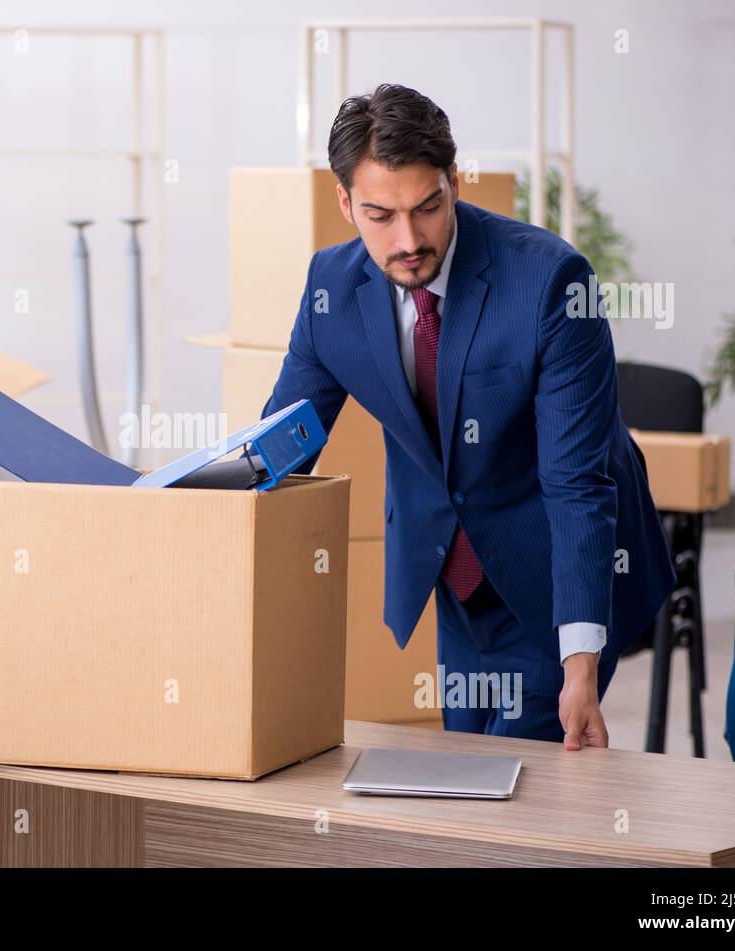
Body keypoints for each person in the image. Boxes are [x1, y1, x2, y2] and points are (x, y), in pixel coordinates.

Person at [262, 84, 675, 749]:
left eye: (427, 207)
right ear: (344, 202)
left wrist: (581, 665)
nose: (408, 239)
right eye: (379, 214)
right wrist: (195, 508)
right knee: (469, 773)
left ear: (454, 181)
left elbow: (576, 483)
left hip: (554, 570)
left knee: (527, 780)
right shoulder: (330, 291)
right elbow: (280, 447)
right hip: (455, 582)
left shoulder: (549, 283)